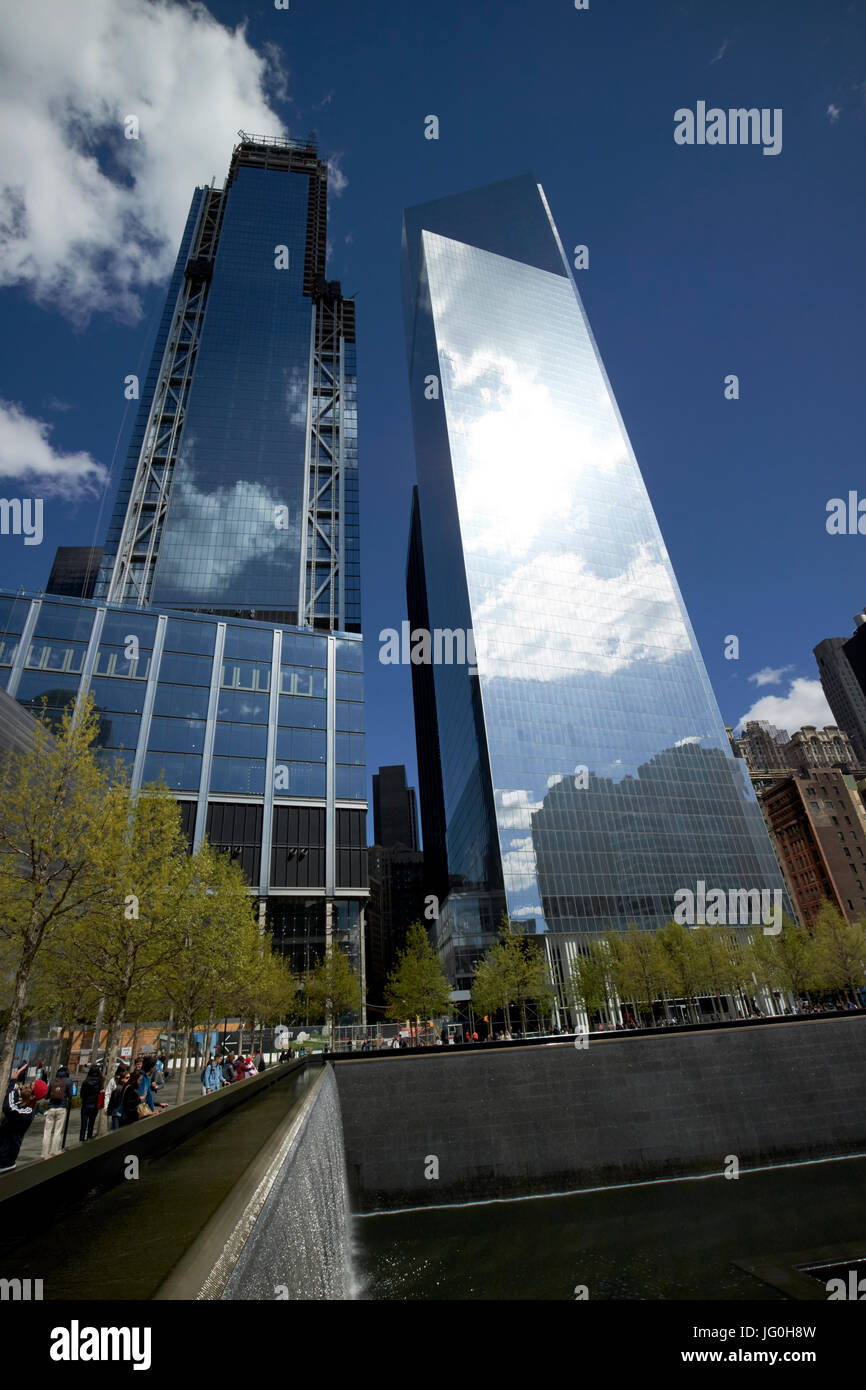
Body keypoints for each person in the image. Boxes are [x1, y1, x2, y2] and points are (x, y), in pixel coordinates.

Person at [0, 1069, 48, 1172]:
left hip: (4, 1161)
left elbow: (8, 1107)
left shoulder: (27, 1113)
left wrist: (13, 1083)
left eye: (30, 1087)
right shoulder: (21, 1105)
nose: (26, 1086)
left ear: (32, 1096)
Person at [42, 1067, 73, 1158]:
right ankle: (54, 1151)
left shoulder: (52, 1081)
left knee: (47, 1132)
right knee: (57, 1131)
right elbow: (70, 1096)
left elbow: (46, 1096)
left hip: (51, 1108)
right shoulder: (69, 1081)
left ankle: (44, 1153)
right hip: (61, 1108)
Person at [78, 1064, 102, 1142]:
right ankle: (89, 1138)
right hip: (94, 1104)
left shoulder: (85, 1082)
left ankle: (81, 1140)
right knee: (91, 1124)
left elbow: (82, 1094)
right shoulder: (99, 1082)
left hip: (86, 1104)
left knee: (83, 1125)